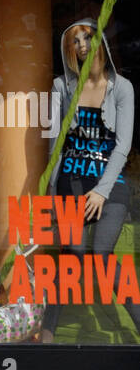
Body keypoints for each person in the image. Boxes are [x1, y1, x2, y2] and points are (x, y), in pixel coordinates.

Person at [41, 20, 140, 343]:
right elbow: (55, 144)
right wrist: (53, 194)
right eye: (75, 41)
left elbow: (123, 145)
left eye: (87, 37)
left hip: (110, 186)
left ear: (99, 42)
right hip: (72, 182)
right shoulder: (61, 87)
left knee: (100, 253)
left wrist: (100, 191)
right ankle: (47, 333)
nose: (82, 44)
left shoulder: (122, 87)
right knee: (71, 253)